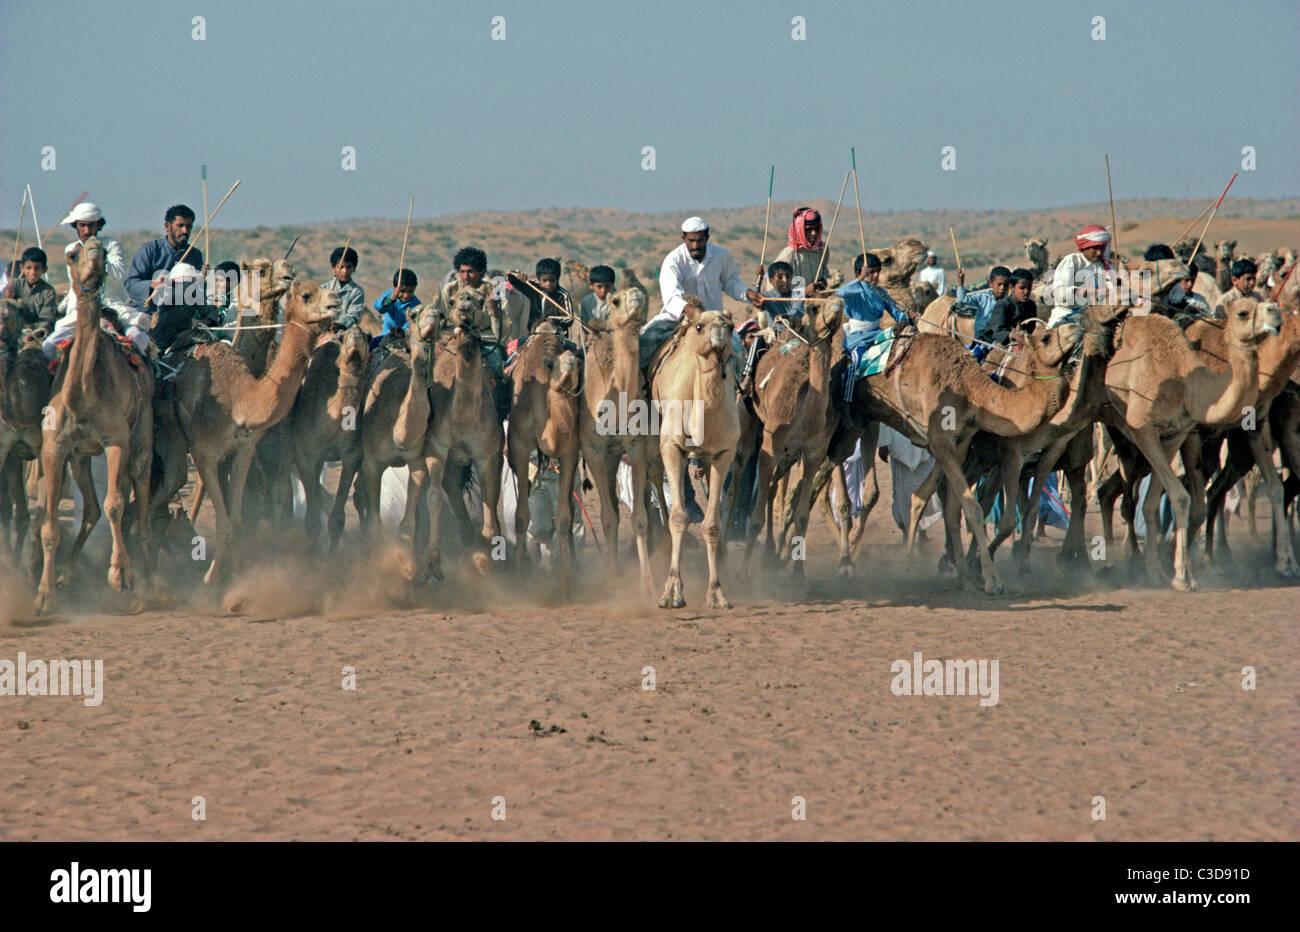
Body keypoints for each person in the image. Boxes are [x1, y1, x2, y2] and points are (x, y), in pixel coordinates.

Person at [641, 216, 763, 366]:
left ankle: (743, 389)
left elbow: (731, 282)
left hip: (714, 320)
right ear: (683, 238)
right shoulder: (673, 260)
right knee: (643, 344)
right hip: (676, 320)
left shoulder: (721, 255)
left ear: (707, 238)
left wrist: (748, 293)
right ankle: (637, 389)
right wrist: (691, 310)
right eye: (691, 240)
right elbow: (671, 296)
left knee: (738, 355)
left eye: (699, 240)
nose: (695, 245)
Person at [44, 203, 150, 359]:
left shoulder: (110, 245)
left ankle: (143, 377)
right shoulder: (71, 250)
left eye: (91, 226)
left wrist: (98, 260)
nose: (87, 231)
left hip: (112, 307)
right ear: (76, 226)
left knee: (138, 338)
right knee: (49, 347)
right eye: (82, 225)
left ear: (98, 226)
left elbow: (119, 275)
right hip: (80, 311)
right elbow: (76, 285)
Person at [838, 252, 911, 403]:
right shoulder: (854, 291)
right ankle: (845, 404)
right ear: (860, 272)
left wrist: (907, 315)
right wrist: (859, 279)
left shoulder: (880, 292)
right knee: (856, 363)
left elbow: (897, 312)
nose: (876, 275)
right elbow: (841, 293)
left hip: (877, 333)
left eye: (878, 271)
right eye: (871, 272)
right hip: (858, 337)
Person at [124, 204, 204, 313]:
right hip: (147, 311)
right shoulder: (150, 250)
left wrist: (202, 277)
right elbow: (131, 284)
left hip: (180, 315)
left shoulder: (195, 255)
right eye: (180, 226)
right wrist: (154, 284)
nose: (185, 231)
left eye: (188, 226)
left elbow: (197, 292)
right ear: (167, 226)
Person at [1047, 224, 1113, 326]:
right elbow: (1059, 293)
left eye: (1102, 248)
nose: (1099, 253)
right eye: (1095, 248)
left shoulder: (1104, 266)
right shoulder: (1072, 261)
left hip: (1095, 316)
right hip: (1067, 315)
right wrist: (1080, 292)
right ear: (1084, 247)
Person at [760, 207, 828, 294]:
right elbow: (773, 292)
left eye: (816, 229)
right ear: (800, 230)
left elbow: (824, 269)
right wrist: (804, 292)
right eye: (808, 229)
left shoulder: (822, 250)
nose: (814, 233)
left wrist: (823, 279)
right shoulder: (788, 255)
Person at [976, 268, 1038, 348]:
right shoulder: (1003, 305)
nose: (1026, 291)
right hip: (994, 340)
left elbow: (1031, 329)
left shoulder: (1031, 306)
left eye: (1029, 288)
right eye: (1022, 288)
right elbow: (998, 331)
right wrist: (1013, 334)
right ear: (1012, 287)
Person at [507, 258, 570, 335]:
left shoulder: (563, 295)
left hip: (557, 335)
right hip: (534, 334)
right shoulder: (533, 288)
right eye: (544, 280)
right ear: (538, 279)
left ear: (558, 279)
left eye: (552, 280)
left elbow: (569, 318)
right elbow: (512, 279)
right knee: (517, 346)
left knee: (571, 347)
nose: (548, 284)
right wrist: (518, 275)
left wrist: (553, 321)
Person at [954, 265, 1011, 348]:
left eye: (1005, 285)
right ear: (990, 283)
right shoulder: (982, 297)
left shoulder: (1010, 302)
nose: (1002, 288)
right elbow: (962, 300)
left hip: (1001, 337)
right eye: (999, 284)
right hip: (982, 337)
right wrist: (960, 282)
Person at [2, 246, 59, 328]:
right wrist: (7, 297)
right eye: (29, 268)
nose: (33, 272)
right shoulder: (14, 284)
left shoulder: (48, 292)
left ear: (44, 269)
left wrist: (38, 333)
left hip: (37, 331)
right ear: (22, 268)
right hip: (14, 329)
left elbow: (47, 317)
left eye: (37, 268)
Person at [371, 268, 420, 350]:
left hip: (406, 339)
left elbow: (411, 324)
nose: (406, 295)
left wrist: (402, 332)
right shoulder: (389, 295)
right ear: (395, 288)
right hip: (386, 336)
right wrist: (390, 299)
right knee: (370, 346)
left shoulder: (417, 306)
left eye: (410, 291)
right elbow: (378, 307)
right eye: (402, 291)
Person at [322, 245, 365, 329]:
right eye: (341, 267)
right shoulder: (323, 288)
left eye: (348, 267)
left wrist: (339, 325)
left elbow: (353, 315)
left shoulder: (357, 291)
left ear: (354, 268)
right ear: (333, 268)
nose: (345, 271)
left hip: (345, 332)